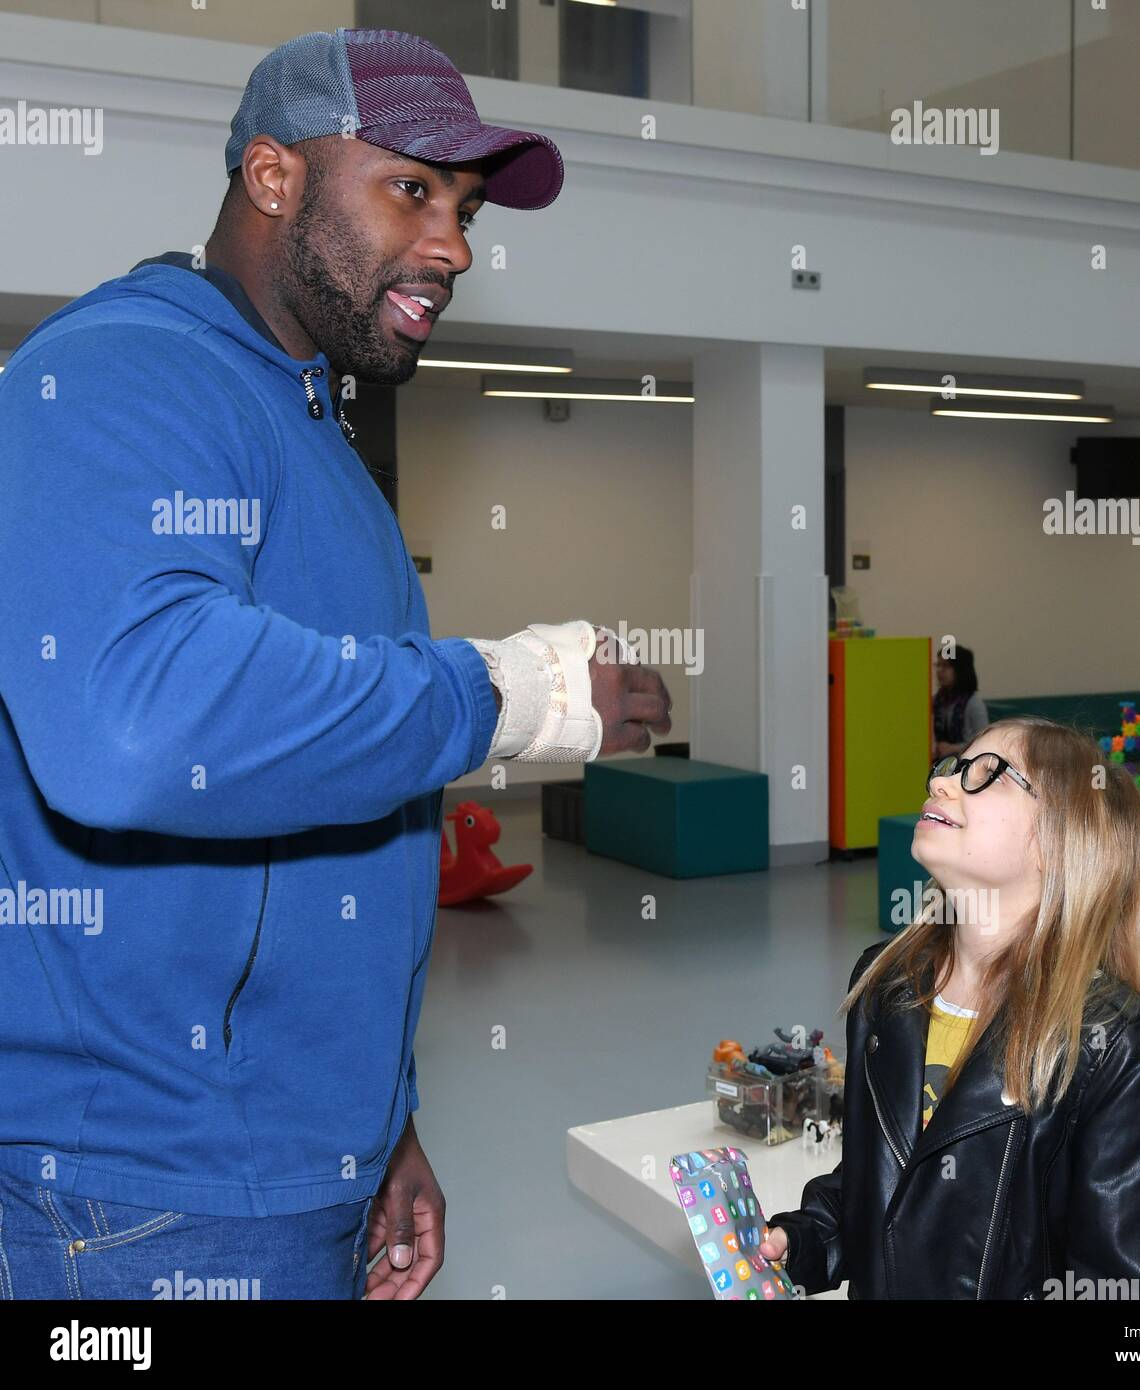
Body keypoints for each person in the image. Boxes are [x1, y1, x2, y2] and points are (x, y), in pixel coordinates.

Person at [0, 28, 670, 1300]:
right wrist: (508, 694)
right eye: (410, 189)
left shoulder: (319, 442)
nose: (455, 246)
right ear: (271, 178)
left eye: (465, 210)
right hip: (136, 1194)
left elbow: (336, 807)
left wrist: (379, 1121)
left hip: (298, 1162)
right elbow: (139, 722)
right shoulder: (116, 376)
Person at [761, 716, 1140, 1299]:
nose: (942, 784)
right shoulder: (887, 985)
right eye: (951, 768)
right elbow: (881, 1186)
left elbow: (1117, 1285)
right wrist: (807, 1240)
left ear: (1059, 841)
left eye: (987, 775)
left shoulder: (1116, 1045)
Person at [932, 644, 988, 758]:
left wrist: (953, 748)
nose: (939, 671)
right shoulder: (936, 701)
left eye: (946, 666)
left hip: (965, 763)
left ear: (959, 669)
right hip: (940, 764)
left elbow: (985, 741)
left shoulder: (973, 703)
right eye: (938, 665)